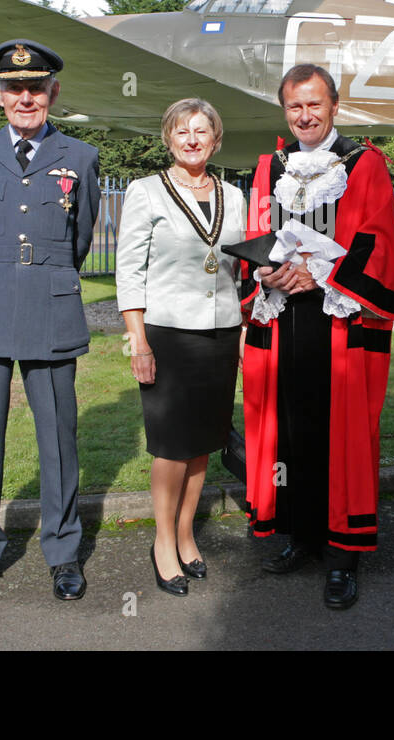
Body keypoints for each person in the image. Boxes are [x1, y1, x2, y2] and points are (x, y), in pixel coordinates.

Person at [240, 63, 394, 609]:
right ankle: (301, 537)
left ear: (334, 106)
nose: (305, 115)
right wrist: (266, 271)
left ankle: (342, 555)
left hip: (342, 324)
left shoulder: (364, 163)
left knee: (341, 437)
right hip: (284, 318)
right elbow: (256, 234)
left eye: (314, 104)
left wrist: (322, 275)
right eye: (295, 106)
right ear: (285, 110)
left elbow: (378, 240)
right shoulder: (270, 165)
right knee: (290, 431)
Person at [0, 39, 100, 605]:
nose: (25, 97)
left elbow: (80, 236)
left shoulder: (80, 157)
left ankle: (62, 553)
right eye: (14, 88)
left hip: (51, 304)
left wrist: (45, 274)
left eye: (36, 88)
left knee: (58, 437)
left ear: (53, 93)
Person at [116, 99, 246, 597]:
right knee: (172, 448)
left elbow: (239, 264)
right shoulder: (145, 192)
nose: (192, 139)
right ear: (168, 138)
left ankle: (188, 534)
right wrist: (138, 343)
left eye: (201, 131)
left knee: (203, 445)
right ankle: (163, 543)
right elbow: (128, 272)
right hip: (167, 335)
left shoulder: (234, 195)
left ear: (215, 140)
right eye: (181, 131)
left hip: (221, 334)